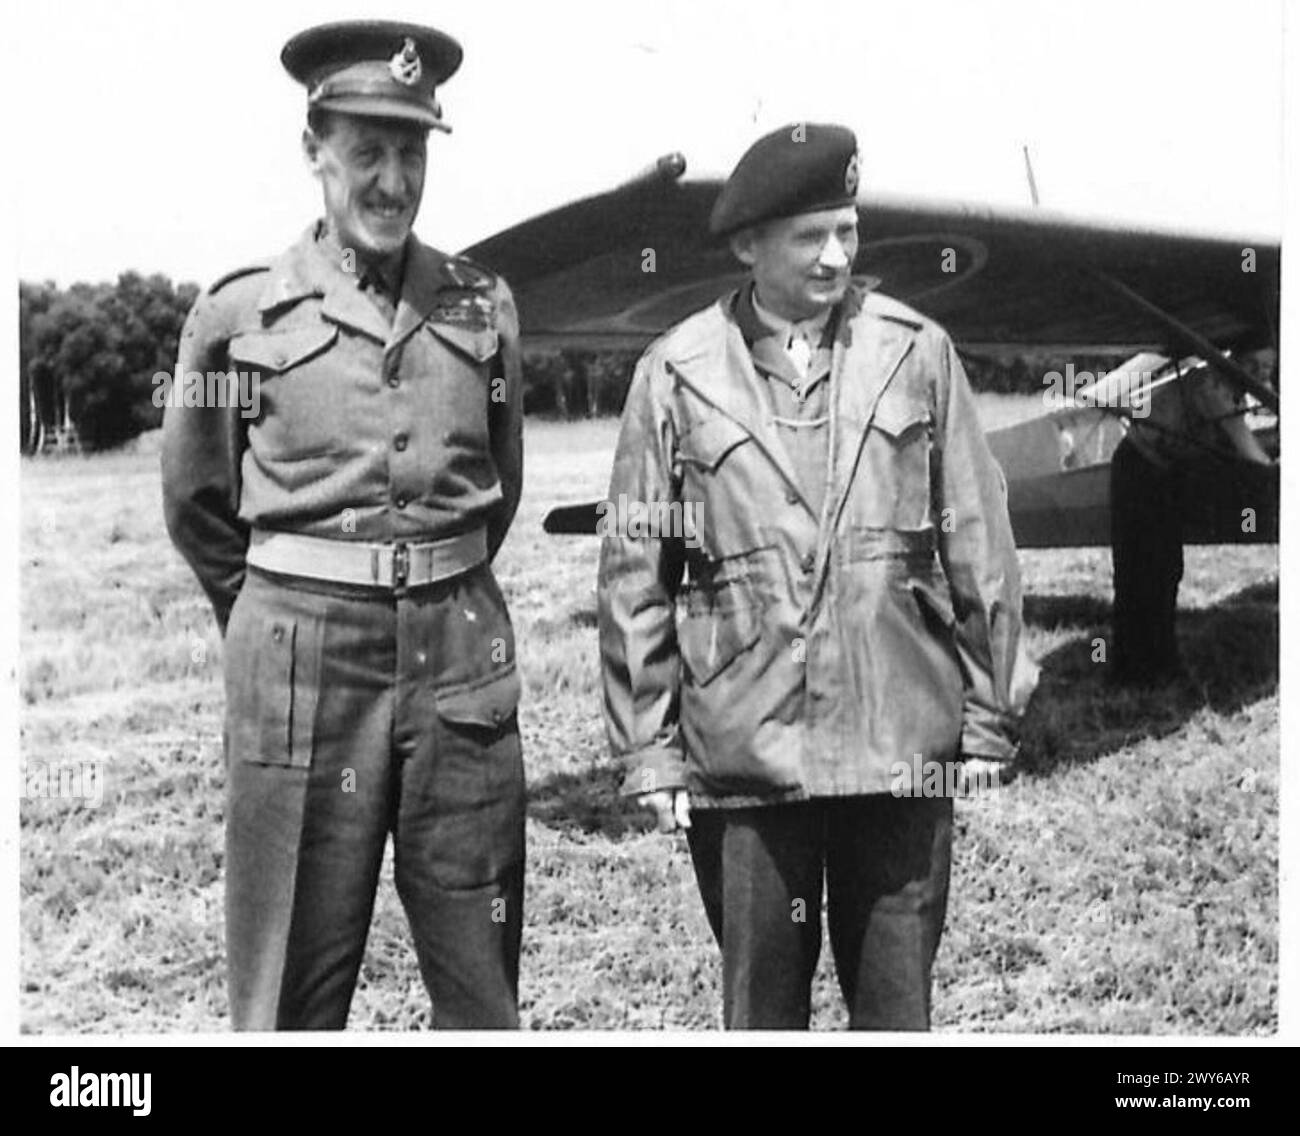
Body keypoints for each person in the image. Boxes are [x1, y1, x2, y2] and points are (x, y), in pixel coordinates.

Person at [597, 123, 1039, 1029]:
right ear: (747, 246)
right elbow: (635, 569)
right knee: (761, 1013)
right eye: (810, 237)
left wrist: (990, 716)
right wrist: (650, 747)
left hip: (897, 744)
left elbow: (979, 544)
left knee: (896, 1011)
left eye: (848, 230)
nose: (836, 256)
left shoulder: (918, 355)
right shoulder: (675, 374)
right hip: (748, 754)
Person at [162, 20, 526, 1030]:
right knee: (287, 991)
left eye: (410, 152)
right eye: (366, 151)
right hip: (302, 670)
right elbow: (197, 504)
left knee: (483, 984)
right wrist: (288, 613)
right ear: (312, 148)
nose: (392, 180)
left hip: (460, 666)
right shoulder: (240, 314)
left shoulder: (482, 306)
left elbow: (498, 484)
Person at [1109, 362, 1273, 685]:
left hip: (1163, 473)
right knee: (1142, 570)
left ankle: (1161, 662)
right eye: (1259, 363)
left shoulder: (1223, 388)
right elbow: (1251, 455)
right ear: (1242, 358)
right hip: (1139, 470)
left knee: (1167, 567)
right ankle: (1133, 671)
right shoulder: (1213, 388)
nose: (1264, 373)